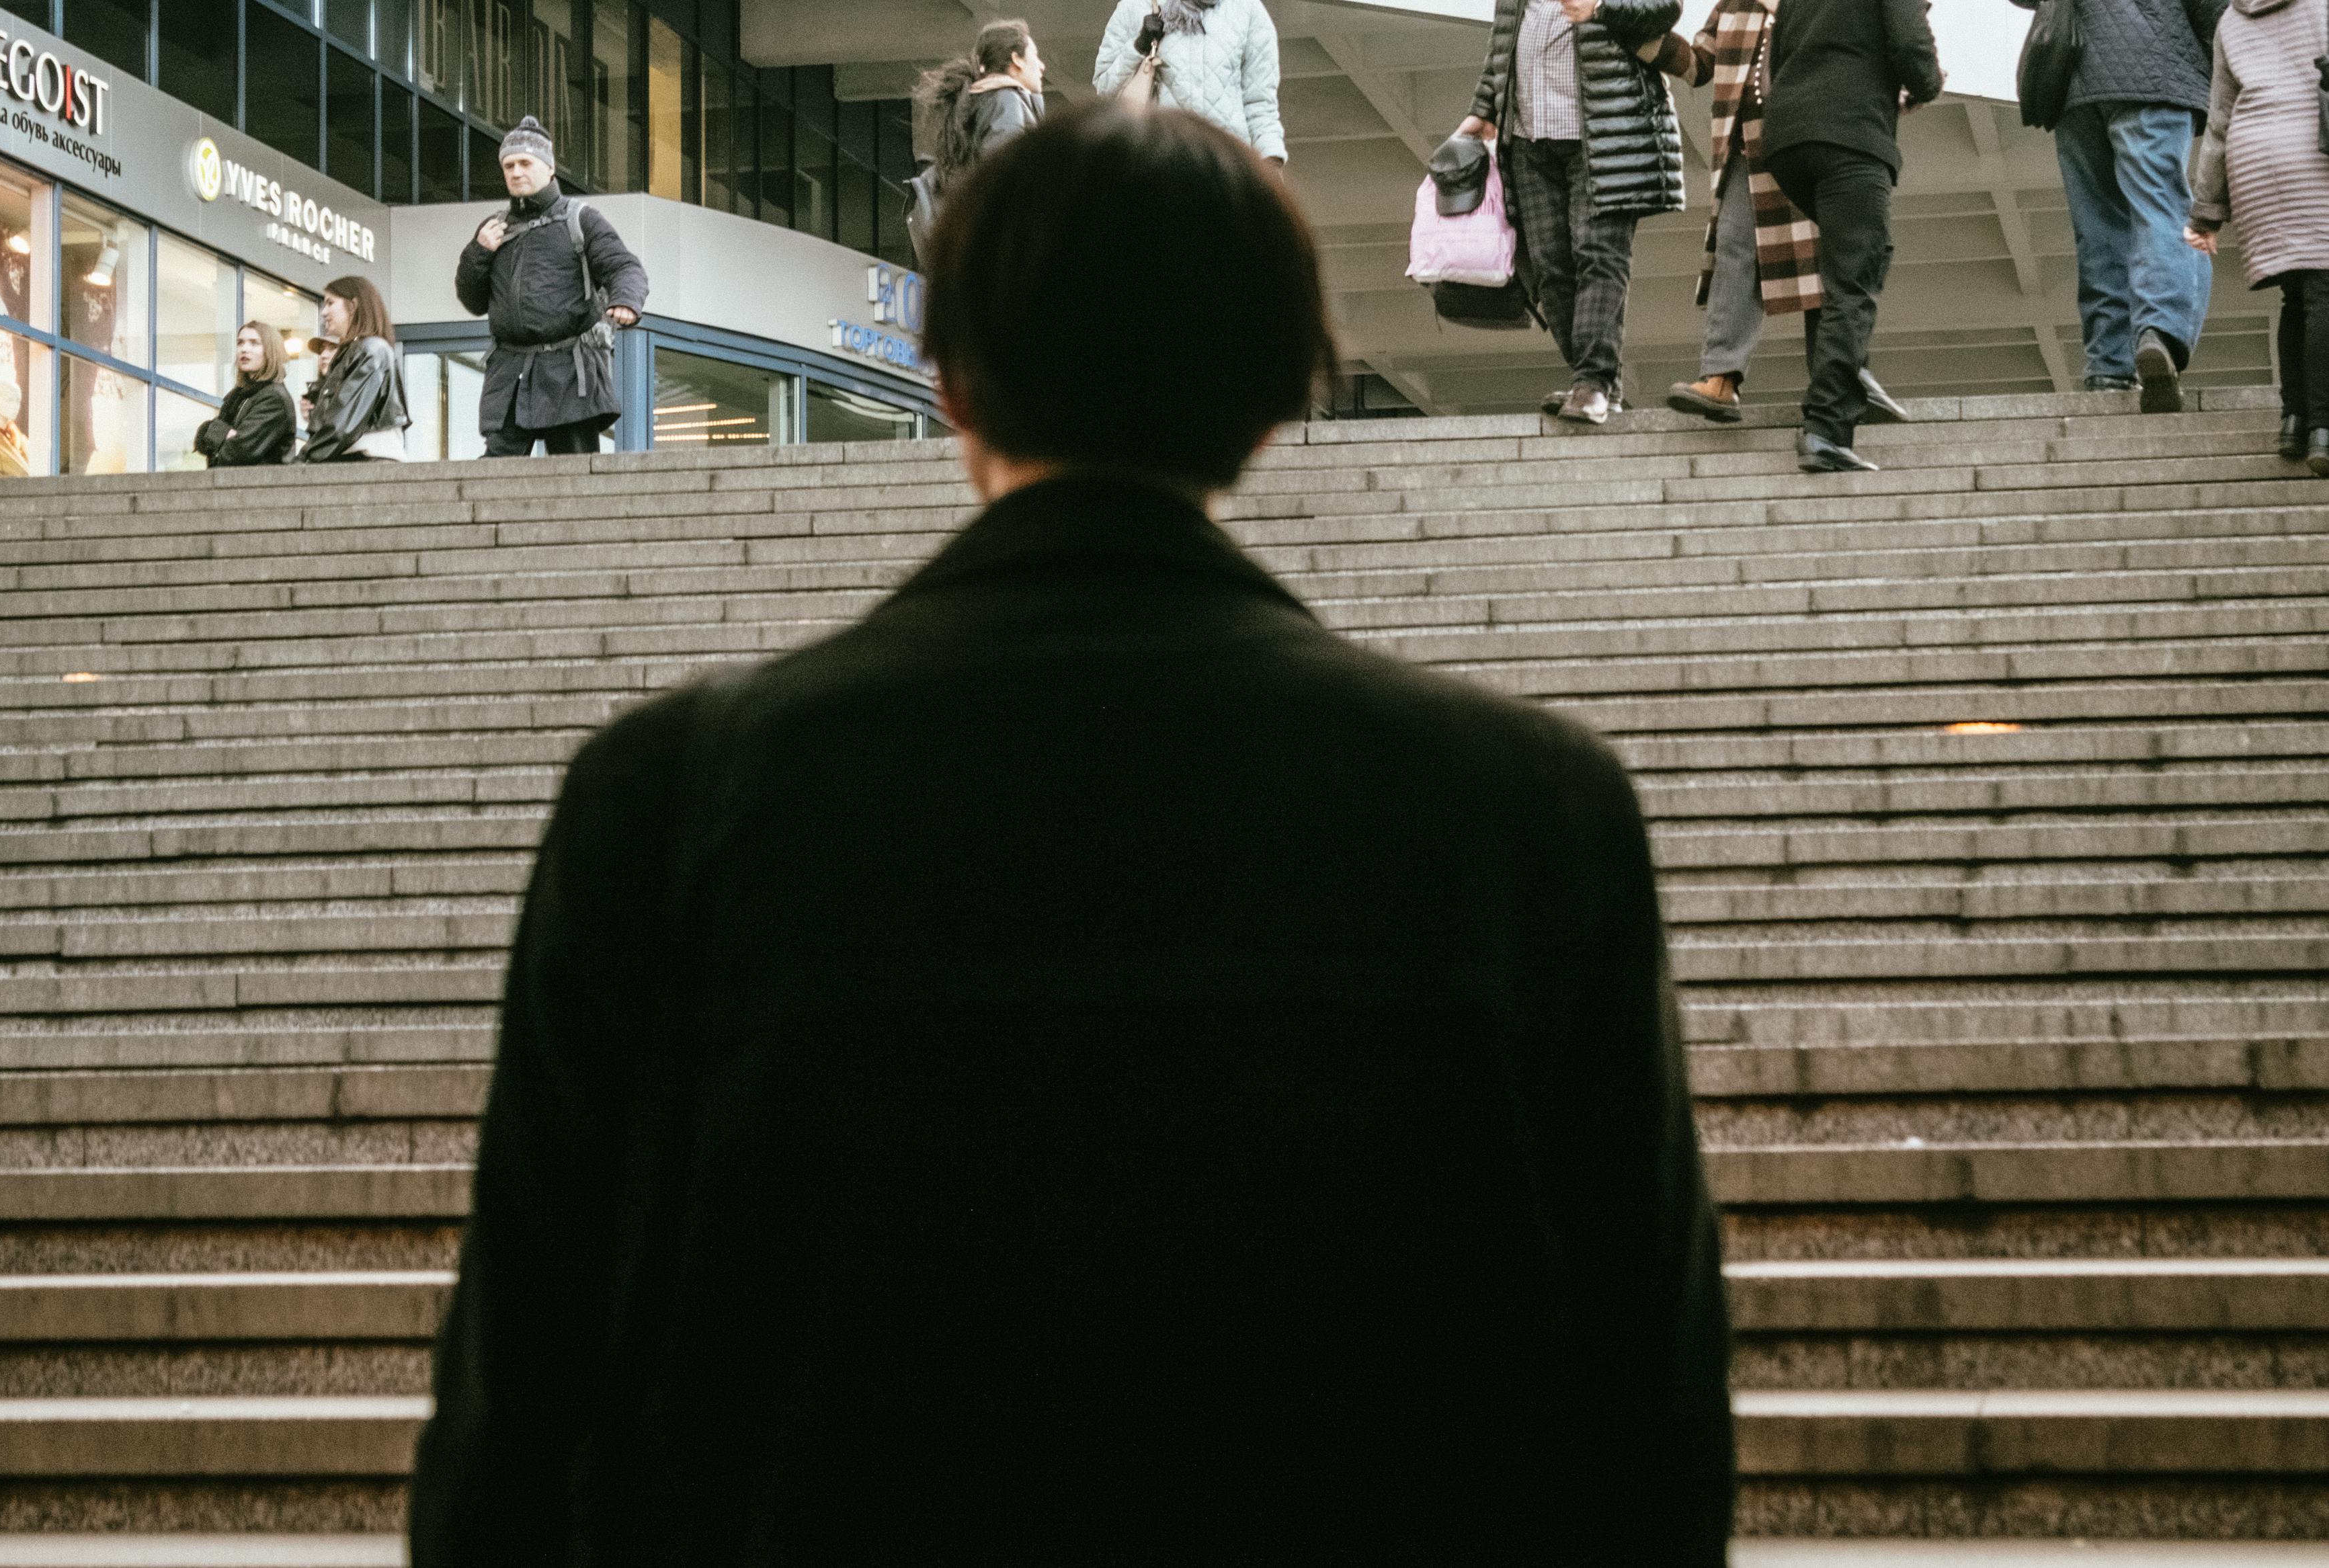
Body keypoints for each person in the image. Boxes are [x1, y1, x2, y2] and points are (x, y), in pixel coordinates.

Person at [409, 102, 1732, 1565]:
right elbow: (1647, 1415)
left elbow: (517, 1411)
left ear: (950, 379)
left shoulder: (662, 801)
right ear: (1271, 396)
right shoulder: (1527, 818)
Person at [1651, 4, 1909, 426]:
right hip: (1748, 146)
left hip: (1817, 134)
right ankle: (1720, 379)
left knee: (1829, 261)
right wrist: (1635, 29)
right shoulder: (1736, 3)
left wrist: (1900, 84)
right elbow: (1699, 65)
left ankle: (1848, 378)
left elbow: (1879, 42)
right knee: (1735, 249)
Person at [1454, 0, 1689, 425]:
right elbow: (1502, 46)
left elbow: (1665, 9)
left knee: (1598, 255)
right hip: (1529, 141)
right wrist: (1482, 109)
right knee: (1550, 267)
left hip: (1602, 137)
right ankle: (1595, 383)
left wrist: (1602, 7)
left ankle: (1594, 383)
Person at [2010, 0, 2228, 411]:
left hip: (2074, 82)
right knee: (2161, 209)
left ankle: (2108, 366)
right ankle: (2159, 332)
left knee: (2098, 230)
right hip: (2154, 72)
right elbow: (2216, 13)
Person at [1760, 0, 1943, 472]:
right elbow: (1911, 43)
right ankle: (1826, 429)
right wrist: (1927, 85)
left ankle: (1850, 372)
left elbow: (1776, 60)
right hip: (1850, 134)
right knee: (1853, 282)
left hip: (1788, 140)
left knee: (1850, 261)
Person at [2187, 0, 2329, 474]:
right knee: (2324, 291)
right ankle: (2323, 427)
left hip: (2254, 157)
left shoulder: (2231, 19)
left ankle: (2293, 418)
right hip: (2313, 146)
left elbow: (2220, 119)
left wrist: (2207, 210)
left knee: (2296, 295)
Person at [456, 117, 649, 458]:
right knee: (496, 471)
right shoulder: (493, 228)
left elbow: (624, 266)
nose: (516, 172)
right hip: (509, 373)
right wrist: (478, 252)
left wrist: (626, 300)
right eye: (509, 165)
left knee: (575, 472)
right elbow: (473, 302)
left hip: (569, 371)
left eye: (525, 163)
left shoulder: (581, 218)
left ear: (549, 167)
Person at [1093, 0, 1286, 165]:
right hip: (1160, 164)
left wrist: (1272, 162)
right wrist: (1139, 45)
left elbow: (1260, 105)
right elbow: (1105, 91)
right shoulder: (1135, 6)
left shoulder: (1246, 8)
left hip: (1227, 168)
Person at [917, 19, 1047, 194]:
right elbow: (1003, 179)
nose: (1042, 66)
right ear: (1017, 59)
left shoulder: (982, 100)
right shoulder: (1007, 101)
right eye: (1035, 56)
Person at [295, 277, 409, 464]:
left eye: (331, 303)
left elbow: (343, 424)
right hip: (358, 464)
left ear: (353, 305)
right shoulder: (362, 351)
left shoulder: (371, 350)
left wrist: (303, 459)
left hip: (368, 465)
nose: (324, 312)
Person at [193, 322, 297, 468]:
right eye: (240, 343)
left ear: (270, 351)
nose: (244, 349)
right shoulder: (238, 396)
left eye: (254, 343)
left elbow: (238, 452)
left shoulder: (274, 398)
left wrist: (218, 434)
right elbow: (205, 441)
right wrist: (223, 434)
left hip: (259, 487)